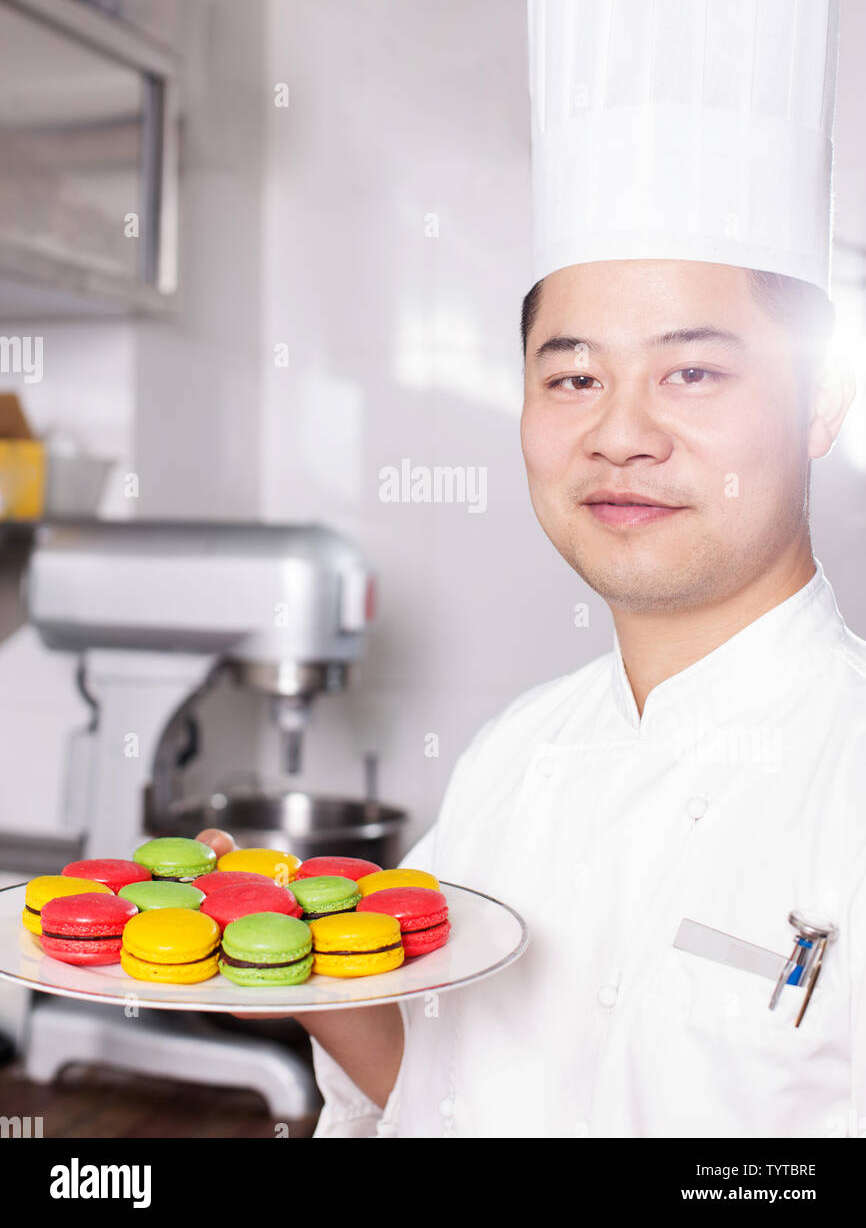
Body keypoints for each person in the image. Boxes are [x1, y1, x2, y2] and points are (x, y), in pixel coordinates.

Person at [200, 253, 864, 1137]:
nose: (621, 434)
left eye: (693, 372)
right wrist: (299, 967)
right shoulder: (512, 755)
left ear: (819, 399)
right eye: (576, 376)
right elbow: (436, 1094)